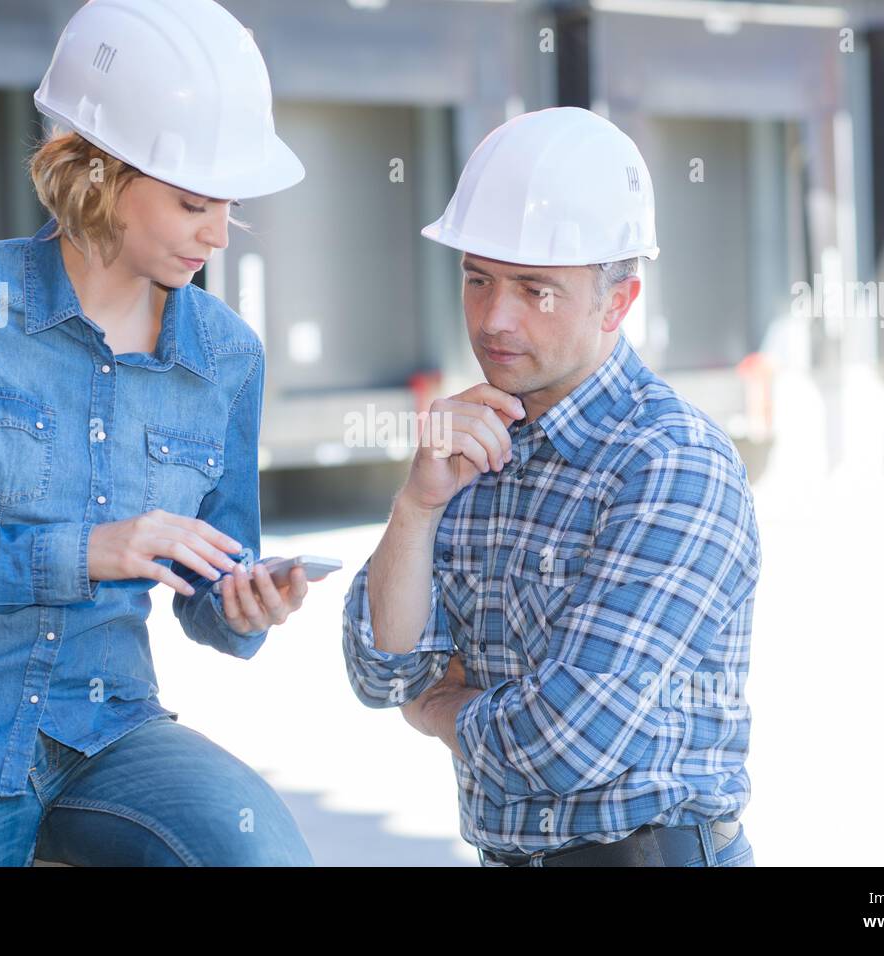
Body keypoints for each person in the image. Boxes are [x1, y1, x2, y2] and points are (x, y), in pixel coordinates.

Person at [0, 0, 316, 866]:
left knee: (265, 856)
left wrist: (245, 604)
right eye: (194, 201)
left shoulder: (228, 357)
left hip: (109, 734)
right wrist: (81, 550)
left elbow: (213, 593)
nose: (218, 233)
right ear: (95, 173)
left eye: (228, 204)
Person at [341, 106, 762, 867]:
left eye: (536, 290)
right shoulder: (466, 447)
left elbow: (570, 739)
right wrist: (417, 507)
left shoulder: (670, 462)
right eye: (478, 279)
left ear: (618, 302)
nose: (495, 318)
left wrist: (440, 712)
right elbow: (381, 672)